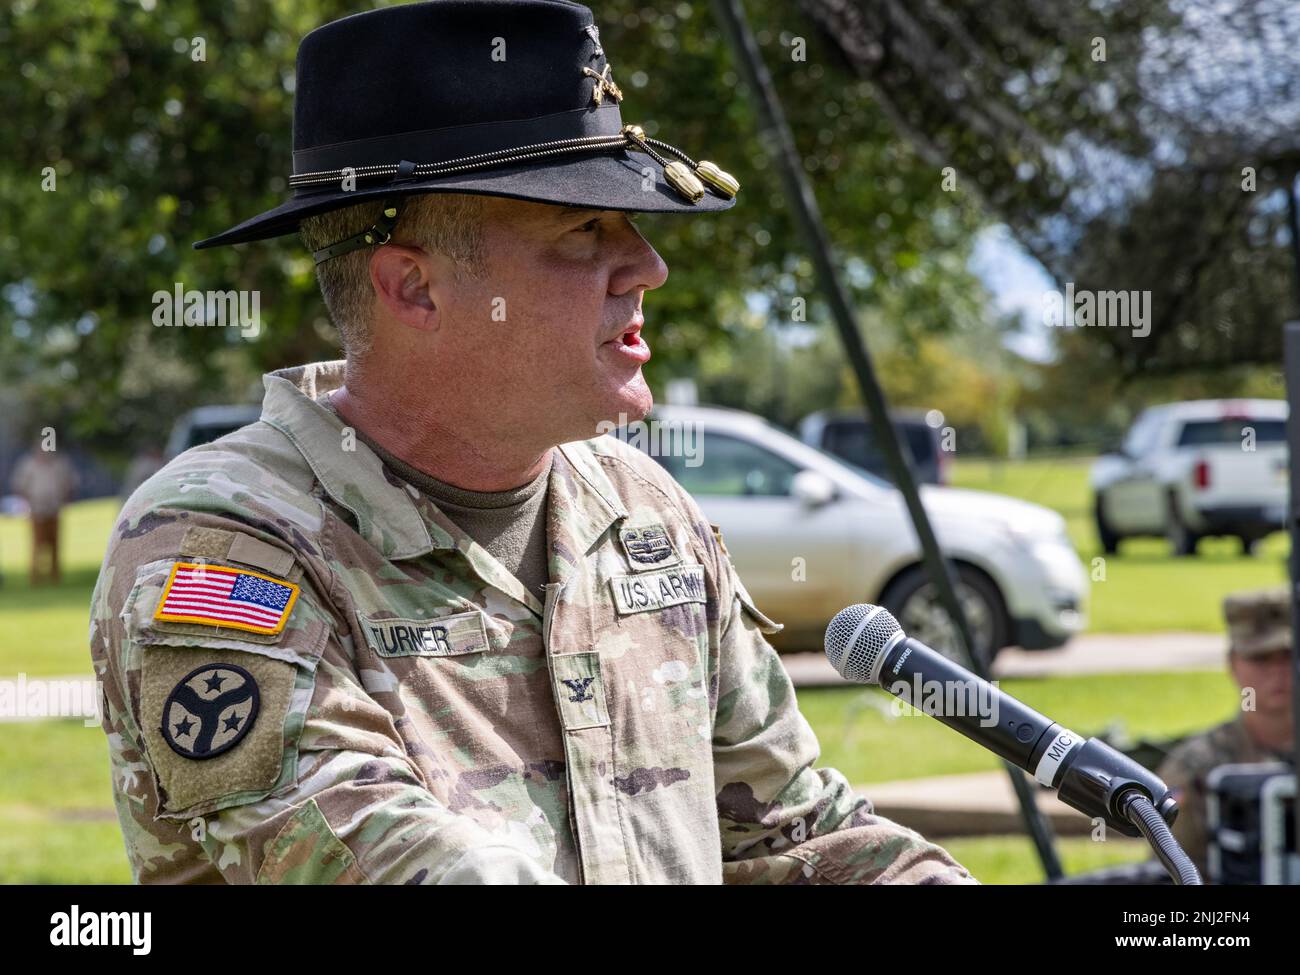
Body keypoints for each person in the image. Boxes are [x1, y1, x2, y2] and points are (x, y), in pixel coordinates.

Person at [90, 0, 975, 885]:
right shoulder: (217, 546)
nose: (649, 268)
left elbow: (792, 836)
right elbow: (388, 863)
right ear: (414, 289)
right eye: (584, 230)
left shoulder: (641, 509)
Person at [1157, 588, 1294, 879]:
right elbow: (1171, 873)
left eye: (1288, 656)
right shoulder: (1196, 767)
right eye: (1260, 659)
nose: (1278, 672)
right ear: (1233, 663)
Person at [11, 435, 78, 585]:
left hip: (54, 508)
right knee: (37, 544)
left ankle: (55, 576)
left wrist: (64, 500)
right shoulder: (28, 464)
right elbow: (20, 485)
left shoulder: (59, 464)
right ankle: (35, 577)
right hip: (37, 509)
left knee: (55, 544)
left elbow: (69, 482)